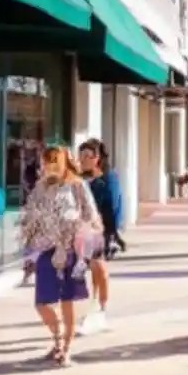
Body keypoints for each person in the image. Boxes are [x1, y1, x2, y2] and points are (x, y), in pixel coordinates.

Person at [19, 146, 100, 367]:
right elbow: (29, 217)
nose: (49, 167)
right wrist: (29, 249)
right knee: (42, 302)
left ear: (64, 162)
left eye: (54, 162)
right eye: (46, 162)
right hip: (46, 250)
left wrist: (85, 236)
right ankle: (57, 337)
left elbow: (91, 215)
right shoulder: (40, 188)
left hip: (72, 250)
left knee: (67, 302)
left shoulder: (77, 186)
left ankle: (65, 348)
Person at [76, 139, 120, 336]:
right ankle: (94, 306)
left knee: (99, 268)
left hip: (100, 231)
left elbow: (113, 207)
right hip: (81, 231)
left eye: (88, 156)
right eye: (82, 155)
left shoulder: (108, 179)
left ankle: (101, 307)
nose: (84, 160)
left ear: (98, 158)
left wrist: (111, 233)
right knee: (92, 270)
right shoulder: (79, 179)